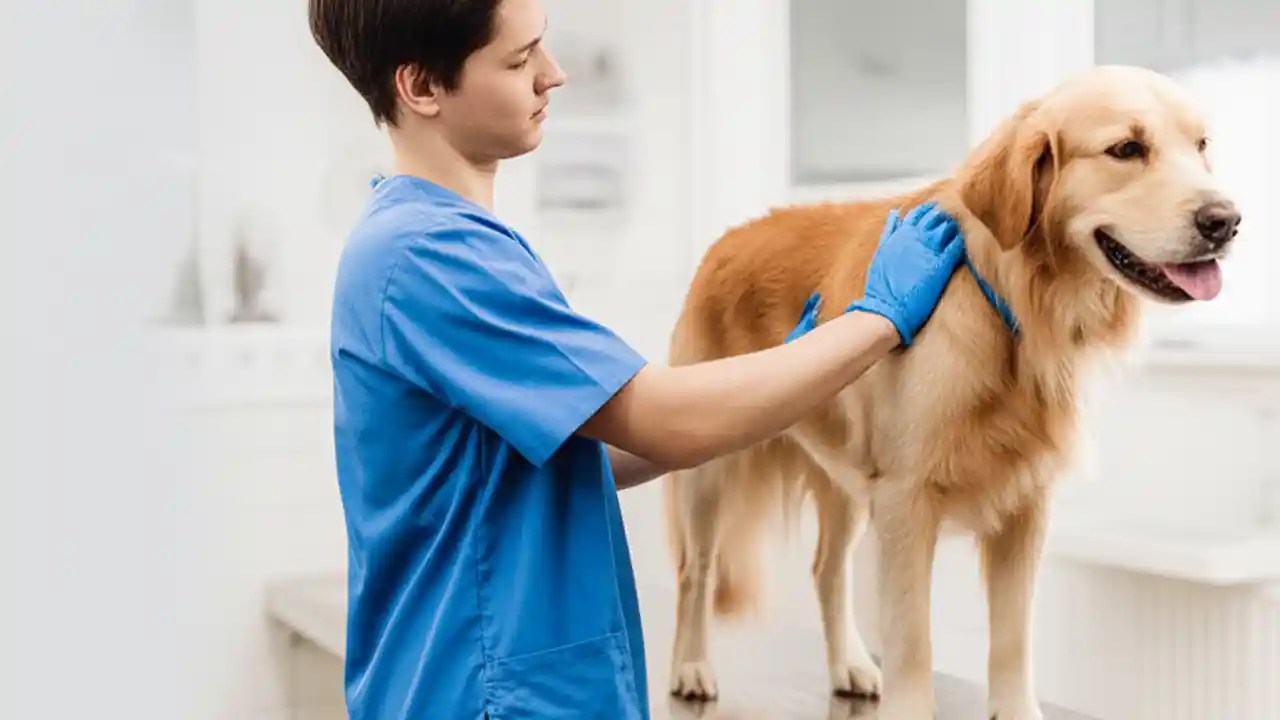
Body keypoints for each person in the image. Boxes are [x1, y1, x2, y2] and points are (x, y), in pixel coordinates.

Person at [309, 0, 966, 717]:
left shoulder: (439, 242)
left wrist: (795, 372)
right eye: (520, 59)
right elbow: (659, 419)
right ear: (422, 88)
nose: (552, 76)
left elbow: (576, 457)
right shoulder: (429, 257)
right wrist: (874, 323)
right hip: (484, 695)